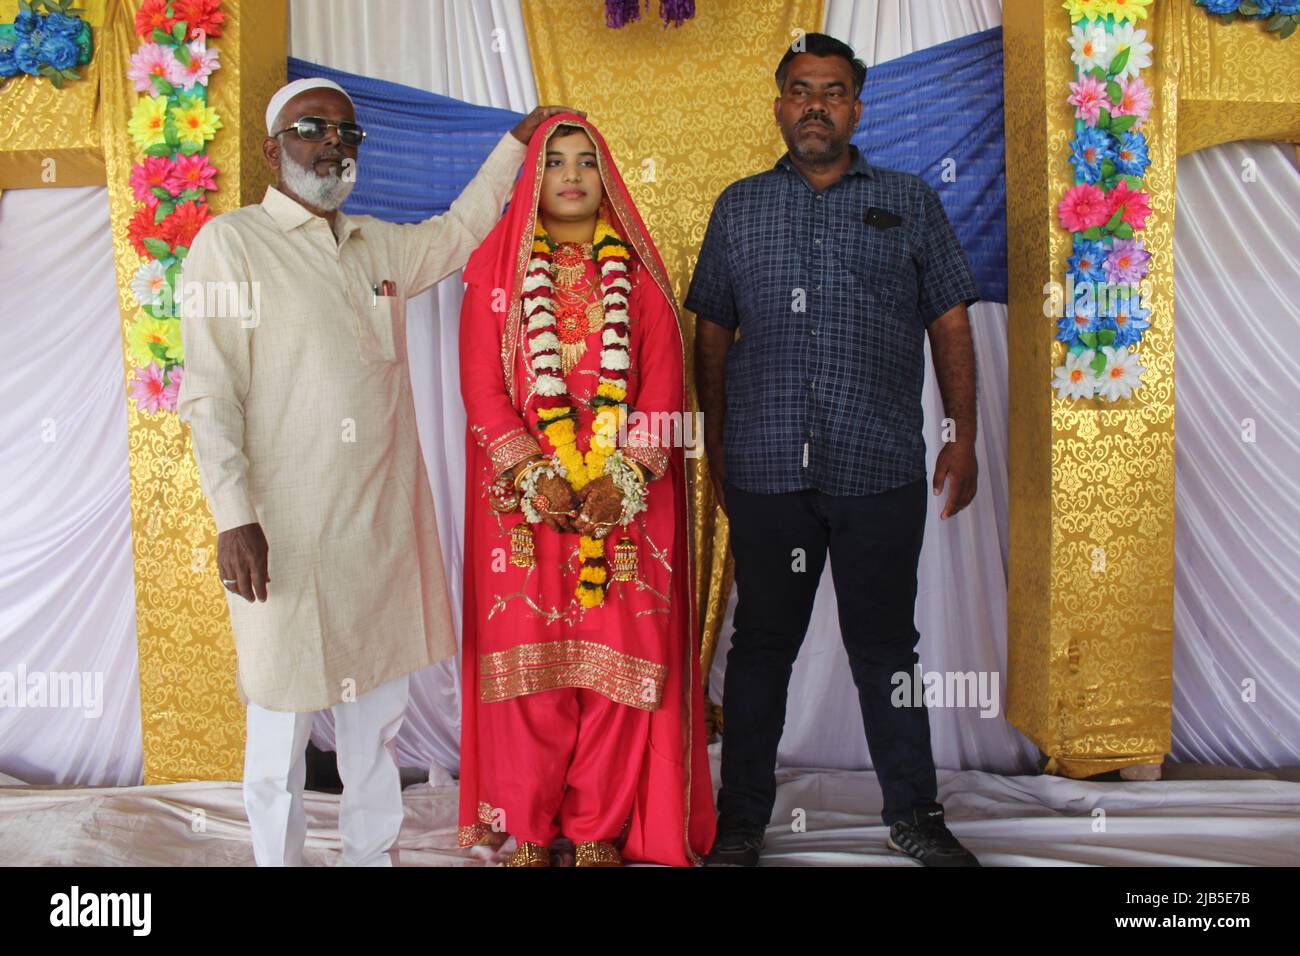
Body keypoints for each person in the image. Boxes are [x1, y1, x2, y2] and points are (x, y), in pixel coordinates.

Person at [178, 76, 581, 866]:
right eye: (312, 127)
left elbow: (463, 230)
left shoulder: (376, 245)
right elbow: (209, 392)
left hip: (379, 531)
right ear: (272, 148)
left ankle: (371, 858)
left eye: (347, 134)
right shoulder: (231, 243)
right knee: (280, 733)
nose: (333, 143)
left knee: (378, 729)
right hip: (284, 532)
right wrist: (233, 514)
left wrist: (516, 144)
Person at [687, 34, 982, 867]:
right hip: (768, 472)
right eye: (800, 90)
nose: (816, 104)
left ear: (858, 105)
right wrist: (716, 442)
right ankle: (741, 822)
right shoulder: (739, 206)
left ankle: (916, 816)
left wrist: (961, 434)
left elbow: (950, 322)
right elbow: (712, 332)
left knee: (888, 649)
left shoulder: (910, 201)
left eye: (834, 91)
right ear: (779, 103)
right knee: (762, 650)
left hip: (878, 468)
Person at [455, 113, 715, 867]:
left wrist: (625, 476)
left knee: (617, 672)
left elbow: (665, 386)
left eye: (586, 162)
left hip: (624, 506)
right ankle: (533, 833)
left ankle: (601, 830)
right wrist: (532, 472)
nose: (571, 176)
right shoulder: (491, 272)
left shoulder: (640, 279)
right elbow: (480, 385)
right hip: (523, 506)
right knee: (529, 675)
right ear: (532, 178)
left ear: (607, 179)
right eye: (555, 161)